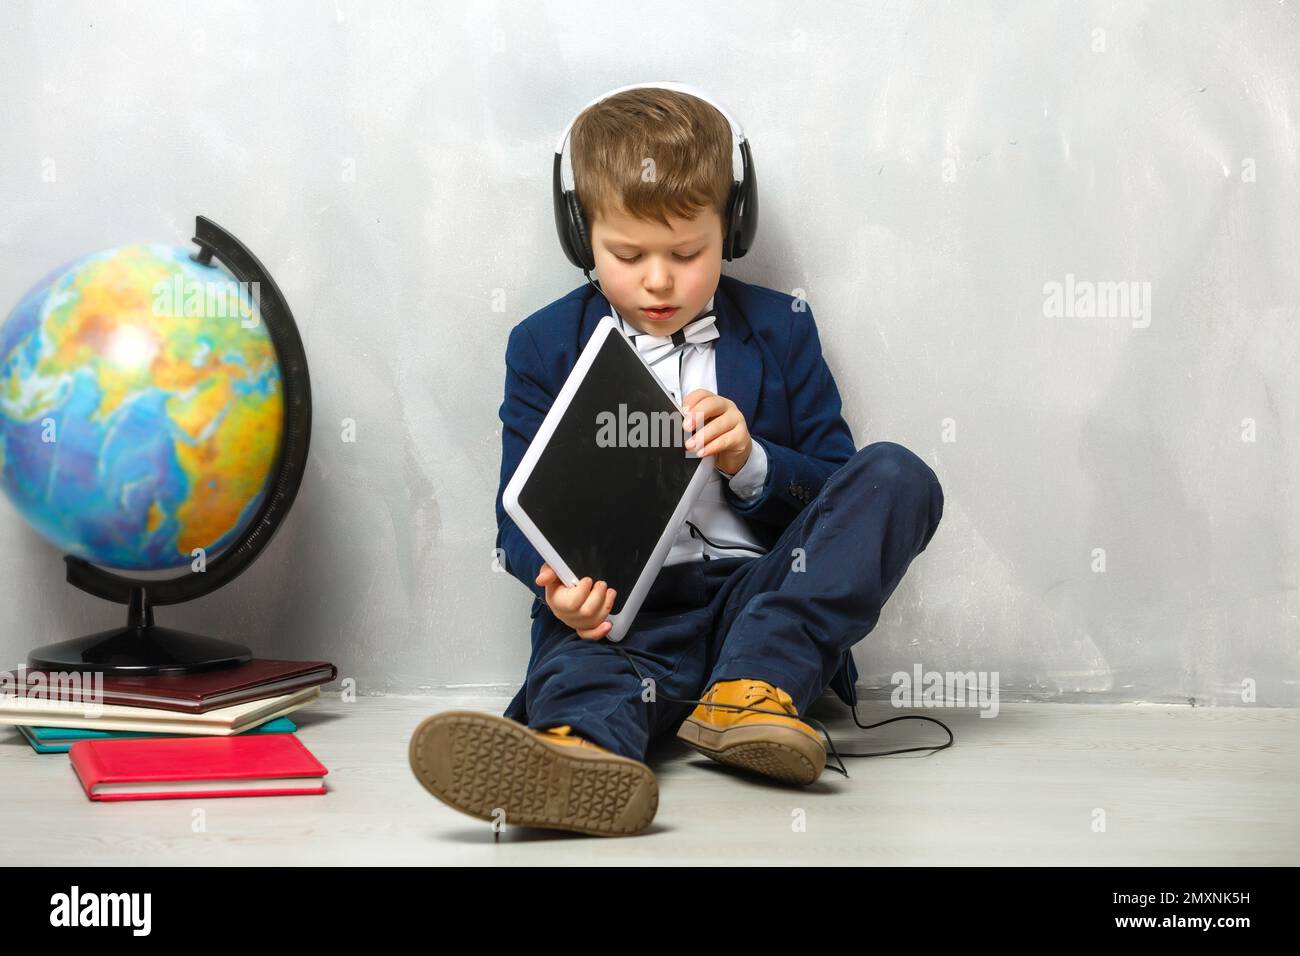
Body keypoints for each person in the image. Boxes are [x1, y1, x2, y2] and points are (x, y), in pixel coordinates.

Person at [409, 83, 944, 838]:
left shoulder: (781, 327)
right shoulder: (542, 346)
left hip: (761, 604)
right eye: (626, 256)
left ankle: (749, 695)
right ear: (579, 236)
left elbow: (838, 487)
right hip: (627, 620)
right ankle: (574, 755)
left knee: (899, 475)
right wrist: (560, 589)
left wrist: (752, 460)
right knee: (586, 668)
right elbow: (514, 517)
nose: (658, 280)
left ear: (733, 226)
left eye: (687, 253)